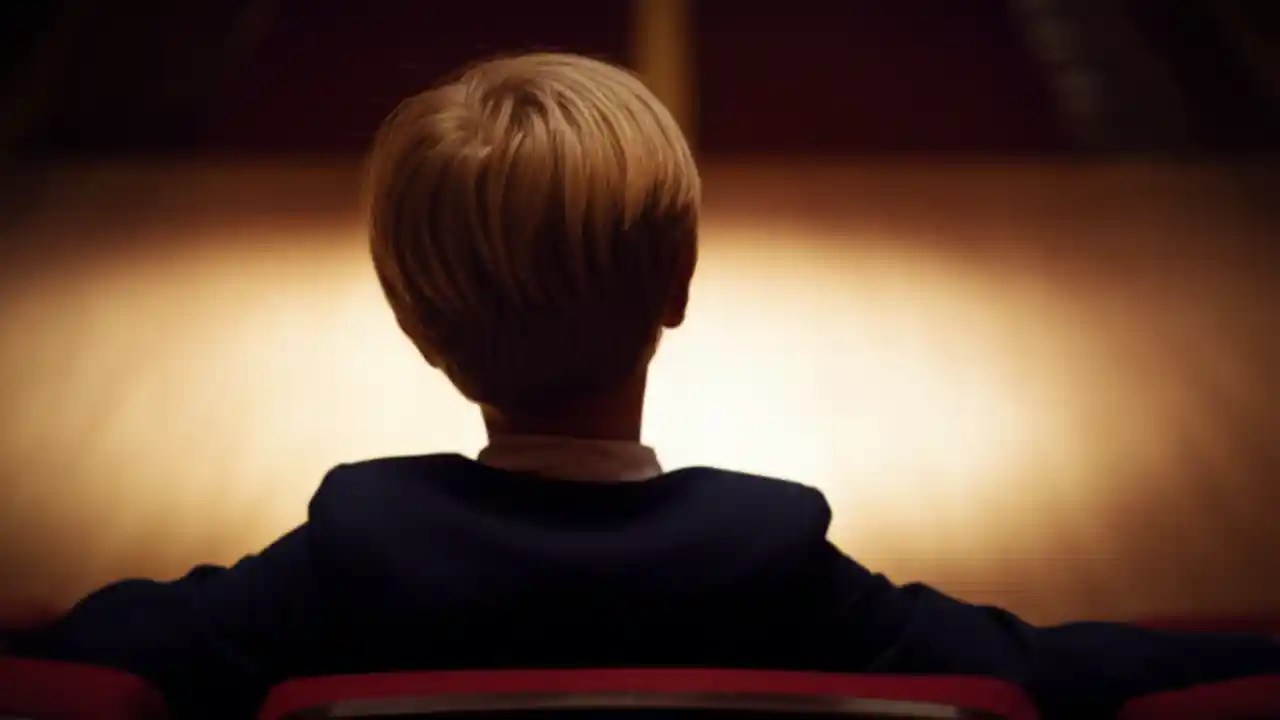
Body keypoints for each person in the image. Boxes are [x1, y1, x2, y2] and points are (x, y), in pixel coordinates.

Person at [3, 53, 1278, 719]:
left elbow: (96, 655)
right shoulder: (772, 555)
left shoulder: (352, 553)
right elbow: (1044, 675)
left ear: (410, 314)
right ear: (676, 284)